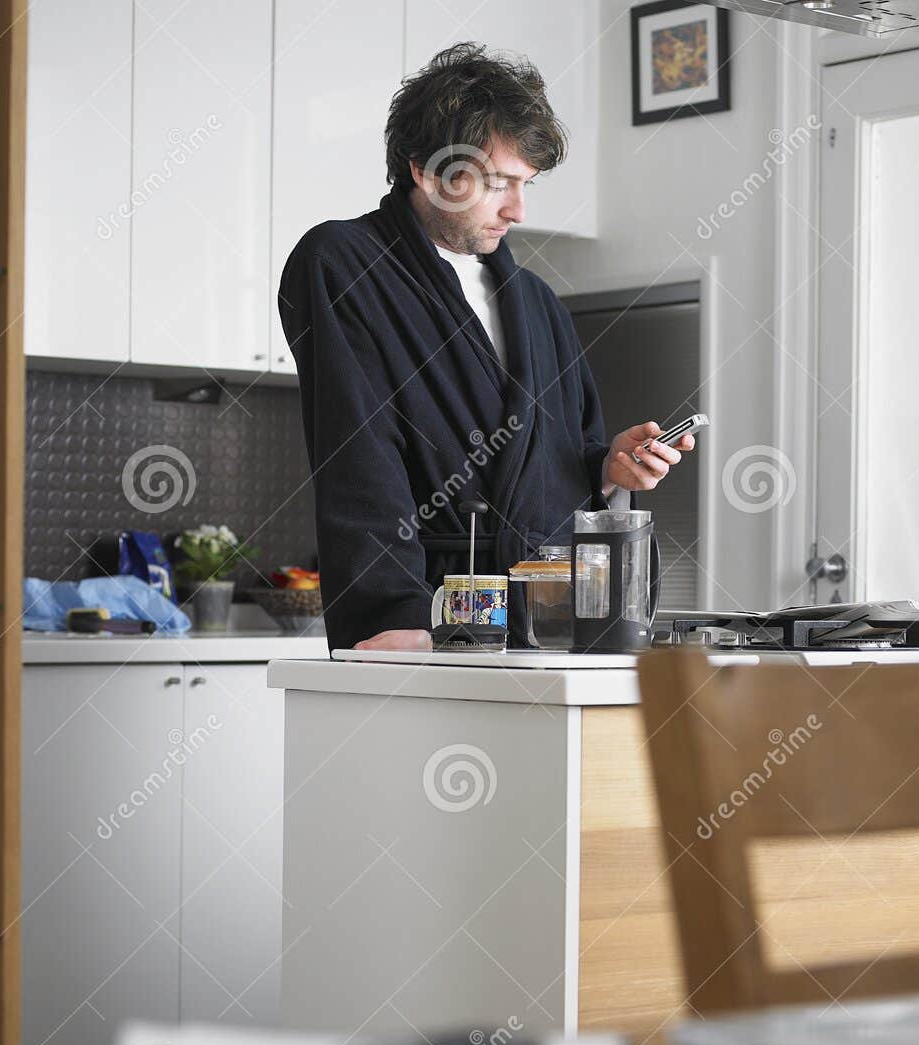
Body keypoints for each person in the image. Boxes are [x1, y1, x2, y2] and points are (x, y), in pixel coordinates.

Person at [278, 42, 694, 651]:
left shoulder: (538, 303)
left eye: (525, 184)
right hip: (427, 618)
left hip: (549, 623)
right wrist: (390, 612)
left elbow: (557, 462)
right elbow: (357, 448)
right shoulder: (345, 262)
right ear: (425, 168)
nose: (518, 209)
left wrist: (607, 470)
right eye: (498, 182)